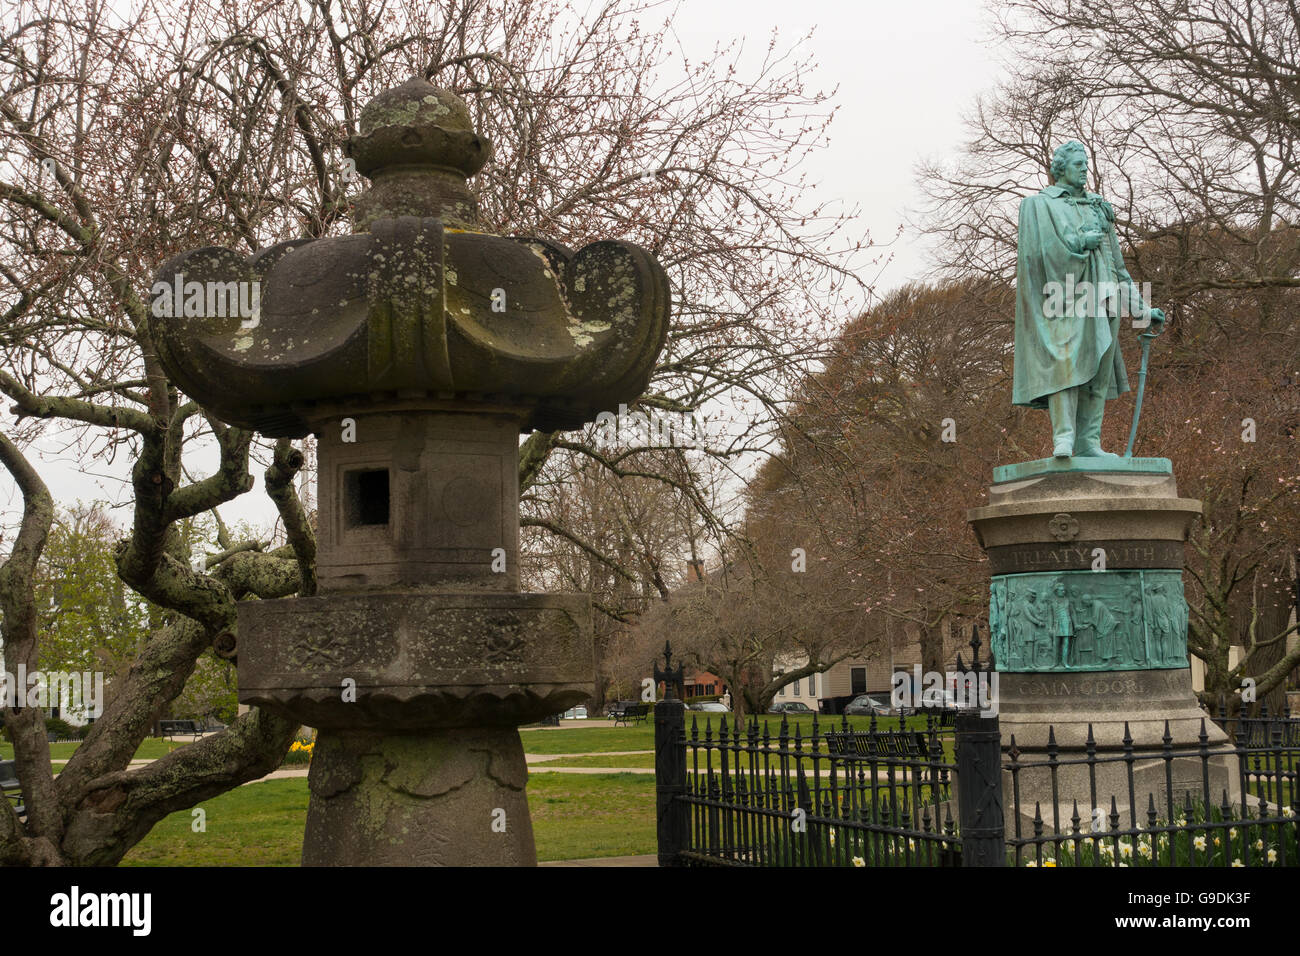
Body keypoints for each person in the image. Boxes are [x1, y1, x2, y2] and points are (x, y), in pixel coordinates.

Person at [1012, 141, 1166, 457]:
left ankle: (1089, 441)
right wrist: (1080, 242)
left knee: (1099, 370)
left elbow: (1118, 267)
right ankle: (1064, 437)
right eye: (1078, 164)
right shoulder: (1041, 206)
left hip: (1104, 299)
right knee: (1065, 368)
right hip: (1061, 298)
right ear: (1061, 168)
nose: (1084, 169)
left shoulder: (1099, 207)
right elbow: (1037, 258)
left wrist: (1142, 310)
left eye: (1086, 164)